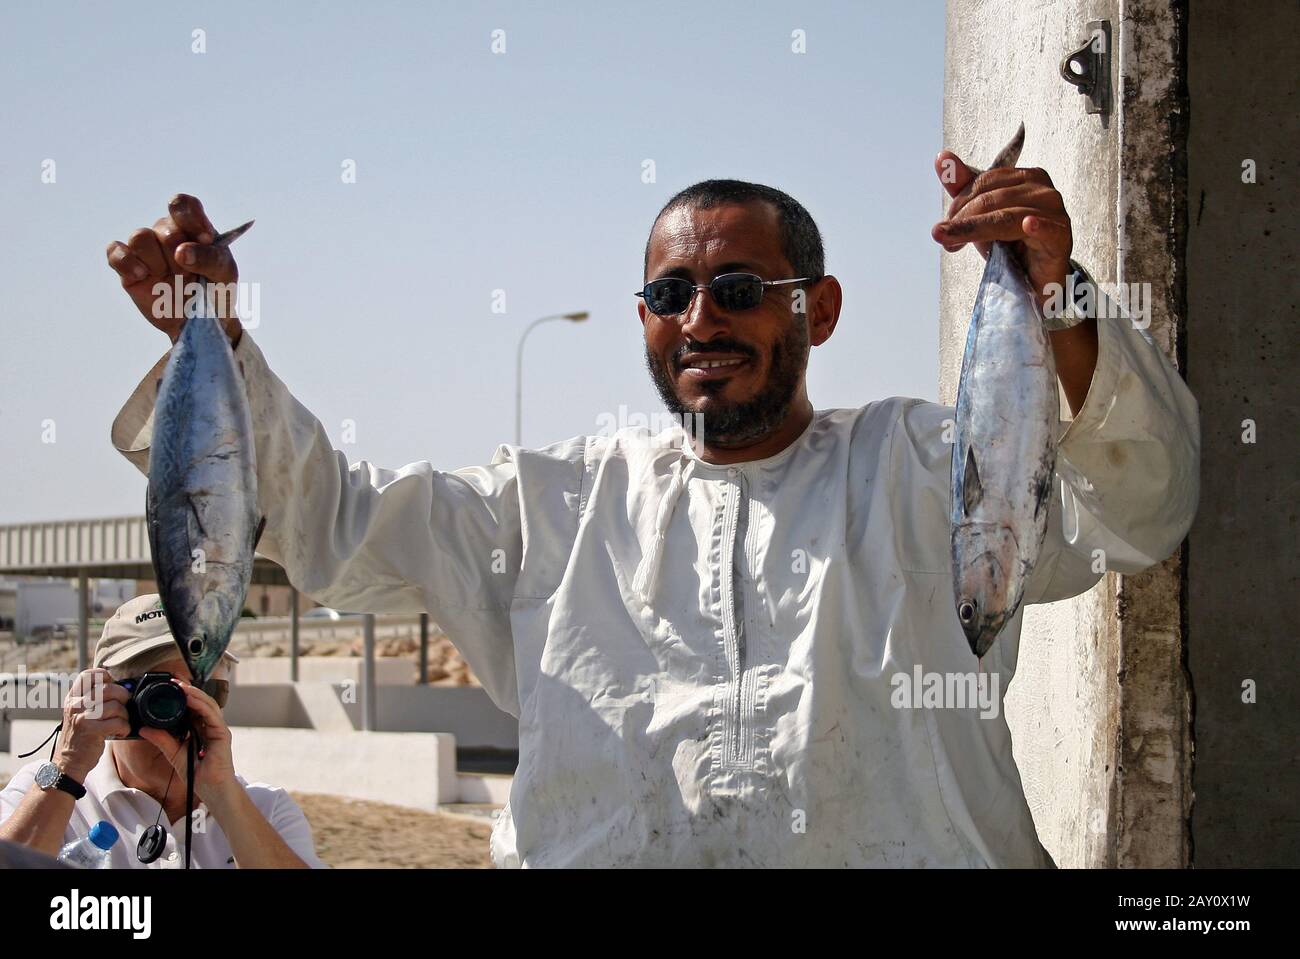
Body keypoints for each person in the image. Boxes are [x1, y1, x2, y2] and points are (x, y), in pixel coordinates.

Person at [100, 148, 1198, 866]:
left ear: (817, 309)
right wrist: (218, 341)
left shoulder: (926, 466)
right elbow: (335, 526)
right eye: (670, 295)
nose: (700, 319)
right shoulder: (548, 504)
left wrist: (1055, 292)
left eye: (738, 290)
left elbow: (1135, 504)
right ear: (642, 319)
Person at [0, 594, 325, 868]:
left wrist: (222, 796)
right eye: (160, 696)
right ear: (104, 696)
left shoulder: (266, 809)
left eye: (203, 692)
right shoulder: (45, 793)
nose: (179, 714)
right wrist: (67, 769)